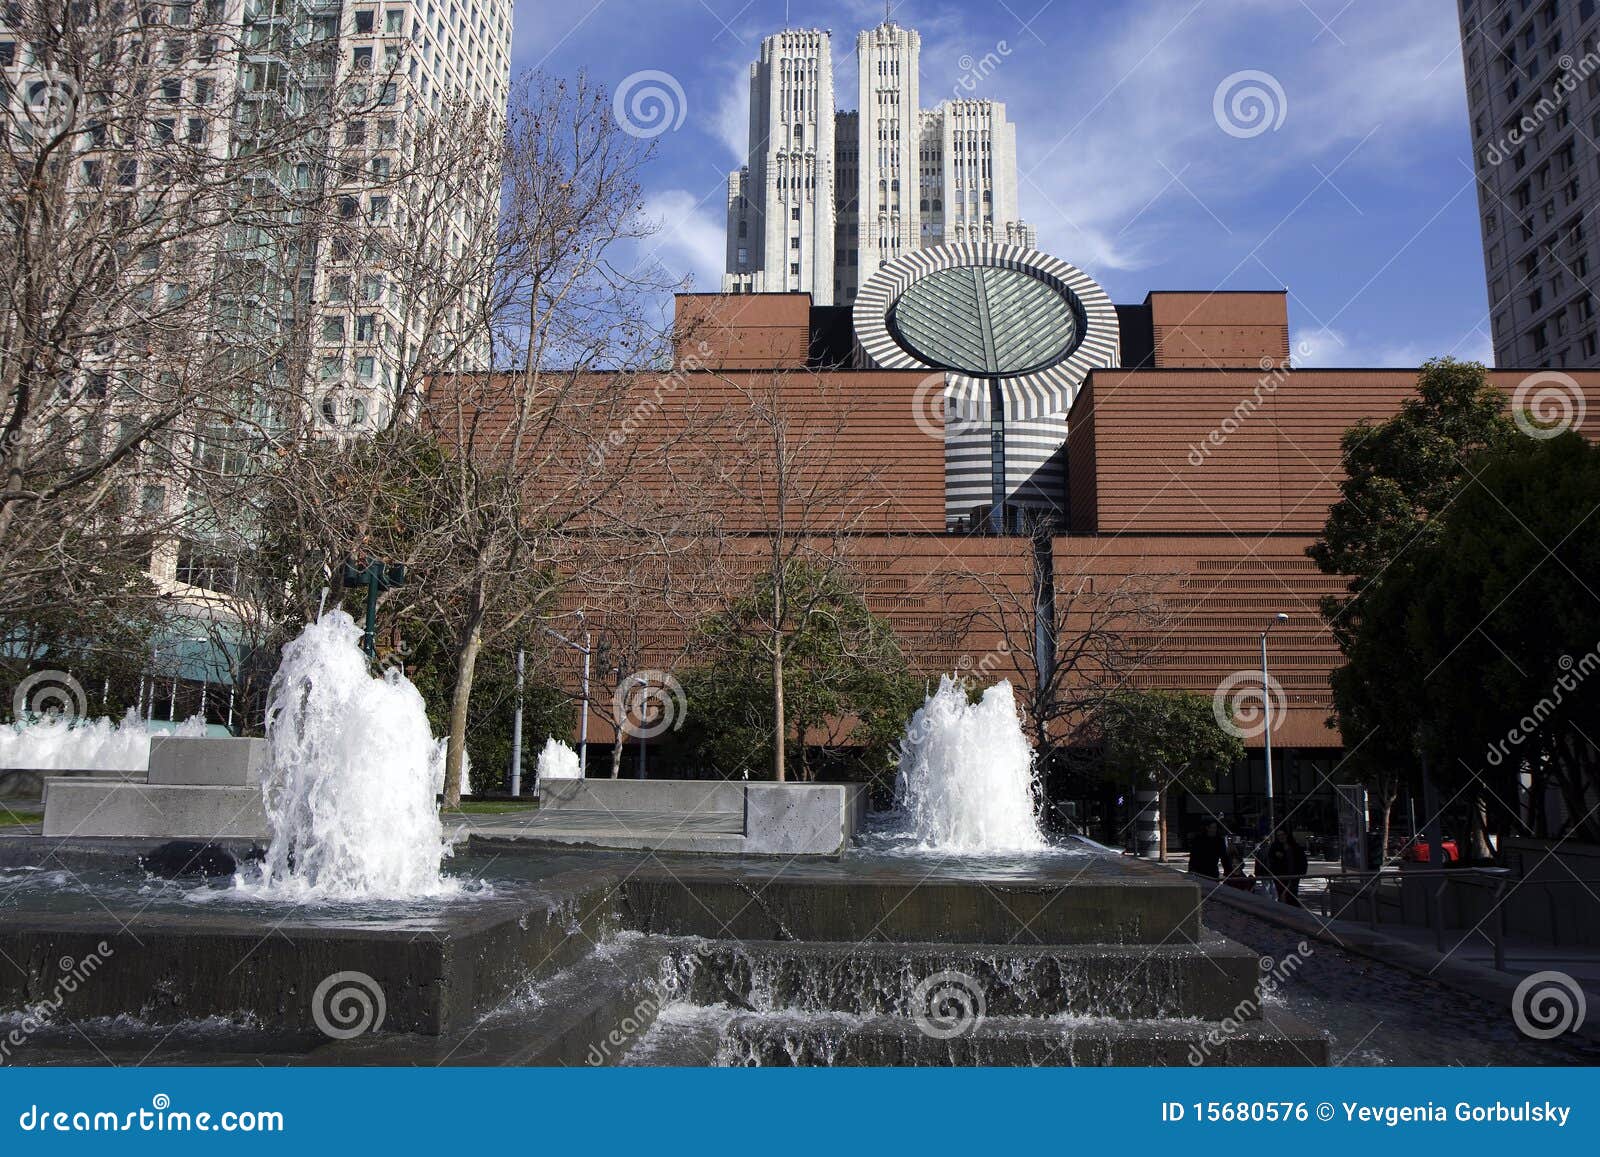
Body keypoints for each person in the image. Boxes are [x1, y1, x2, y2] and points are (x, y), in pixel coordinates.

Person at [1265, 827, 1309, 906]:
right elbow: (1270, 860)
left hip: (1294, 876)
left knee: (1292, 896)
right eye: (1278, 835)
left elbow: (1303, 861)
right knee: (1282, 896)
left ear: (1287, 835)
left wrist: (1301, 873)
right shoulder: (1275, 847)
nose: (1281, 837)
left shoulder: (1295, 847)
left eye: (1283, 834)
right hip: (1281, 876)